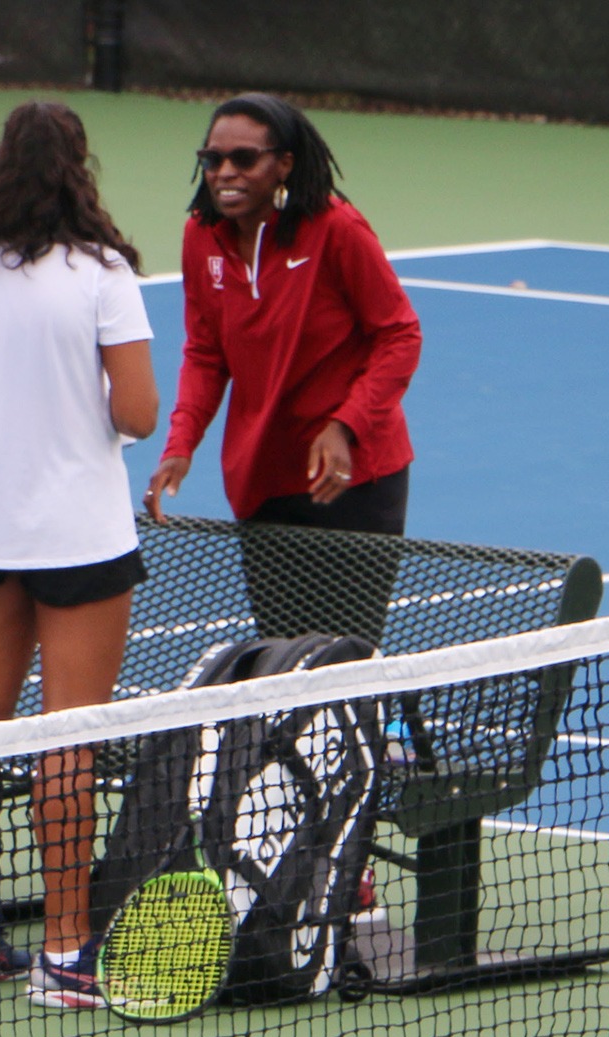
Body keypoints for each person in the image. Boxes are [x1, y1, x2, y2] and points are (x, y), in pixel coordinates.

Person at [0, 101, 157, 1008]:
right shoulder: (103, 272)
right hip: (81, 538)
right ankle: (67, 952)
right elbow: (138, 413)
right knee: (68, 745)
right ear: (79, 169)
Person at [143, 93, 422, 643]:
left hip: (353, 479)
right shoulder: (201, 237)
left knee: (344, 656)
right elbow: (205, 351)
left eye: (244, 160)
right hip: (262, 479)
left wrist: (345, 425)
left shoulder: (337, 229)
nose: (225, 173)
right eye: (212, 159)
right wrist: (181, 444)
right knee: (281, 661)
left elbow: (399, 334)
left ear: (284, 165)